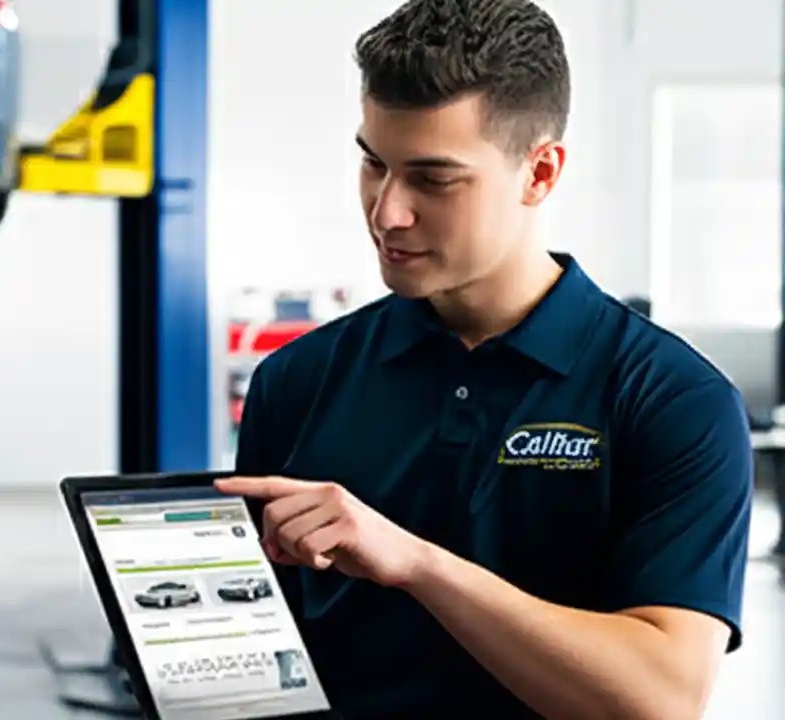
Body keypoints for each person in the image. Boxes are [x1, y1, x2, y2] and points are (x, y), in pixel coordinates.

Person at [216, 1, 752, 718]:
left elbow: (658, 699)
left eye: (434, 180)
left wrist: (417, 565)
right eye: (374, 163)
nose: (386, 212)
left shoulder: (672, 400)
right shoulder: (298, 382)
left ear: (540, 173)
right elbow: (263, 660)